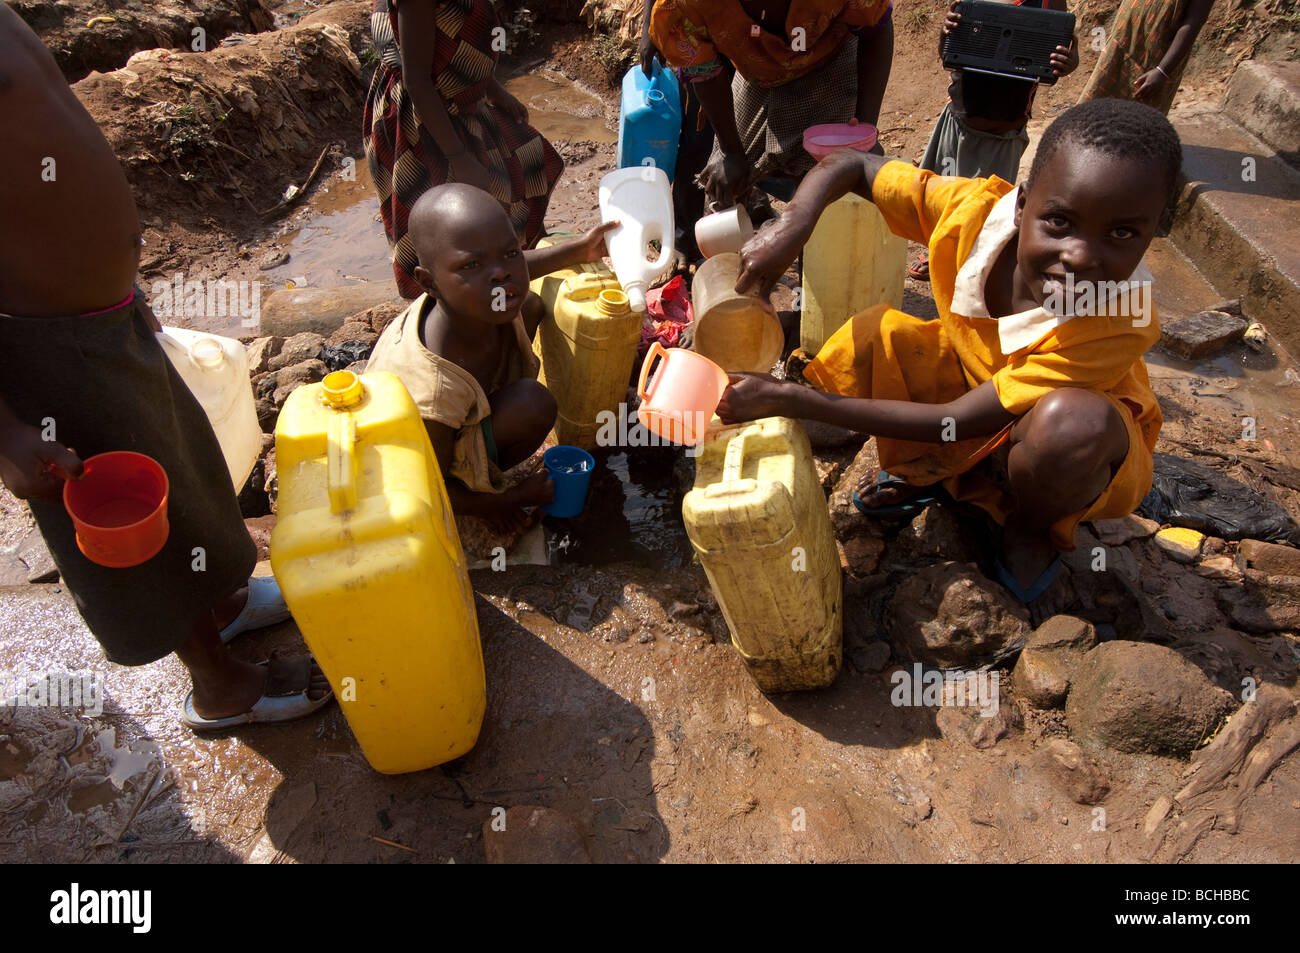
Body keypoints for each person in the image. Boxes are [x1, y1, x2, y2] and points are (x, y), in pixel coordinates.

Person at [0, 5, 331, 730]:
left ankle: (223, 604)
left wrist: (125, 282)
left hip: (105, 314)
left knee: (179, 465)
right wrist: (7, 433)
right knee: (132, 519)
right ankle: (218, 686)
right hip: (43, 344)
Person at [724, 99, 1178, 620]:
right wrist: (795, 224)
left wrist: (790, 398)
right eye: (1058, 221)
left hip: (1073, 441)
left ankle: (1030, 530)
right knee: (878, 334)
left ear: (1151, 235)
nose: (1079, 255)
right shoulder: (972, 213)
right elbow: (853, 164)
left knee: (1068, 426)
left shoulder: (1120, 319)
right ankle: (933, 472)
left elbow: (952, 421)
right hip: (979, 388)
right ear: (1022, 203)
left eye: (1121, 234)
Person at [366, 184, 617, 534]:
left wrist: (582, 248)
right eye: (471, 264)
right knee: (533, 403)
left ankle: (487, 426)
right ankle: (479, 496)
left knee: (528, 304)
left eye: (511, 252)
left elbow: (507, 267)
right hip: (421, 463)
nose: (501, 275)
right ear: (429, 283)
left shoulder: (481, 299)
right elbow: (427, 488)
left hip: (462, 407)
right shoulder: (432, 392)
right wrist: (510, 498)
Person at [364, 0, 565, 299]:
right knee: (448, 223)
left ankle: (515, 280)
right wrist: (459, 158)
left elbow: (454, 40)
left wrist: (494, 90)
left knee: (529, 159)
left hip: (462, 103)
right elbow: (417, 80)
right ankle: (452, 307)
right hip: (423, 119)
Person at [648, 0, 894, 218]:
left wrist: (864, 131)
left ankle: (811, 263)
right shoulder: (689, 6)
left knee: (827, 178)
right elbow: (705, 74)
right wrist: (730, 151)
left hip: (830, 57)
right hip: (757, 66)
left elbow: (876, 27)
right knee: (725, 180)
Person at [911, 0, 1078, 281]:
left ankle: (976, 259)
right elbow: (948, 53)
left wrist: (1068, 63)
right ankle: (939, 249)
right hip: (960, 119)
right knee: (944, 191)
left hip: (1006, 129)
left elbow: (1062, 56)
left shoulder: (1049, 3)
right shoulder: (976, 3)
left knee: (990, 202)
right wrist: (946, 33)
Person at [1079, 0, 1214, 113]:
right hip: (1120, 47)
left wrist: (1162, 71)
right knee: (1091, 111)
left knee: (1136, 124)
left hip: (1154, 63)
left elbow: (1193, 23)